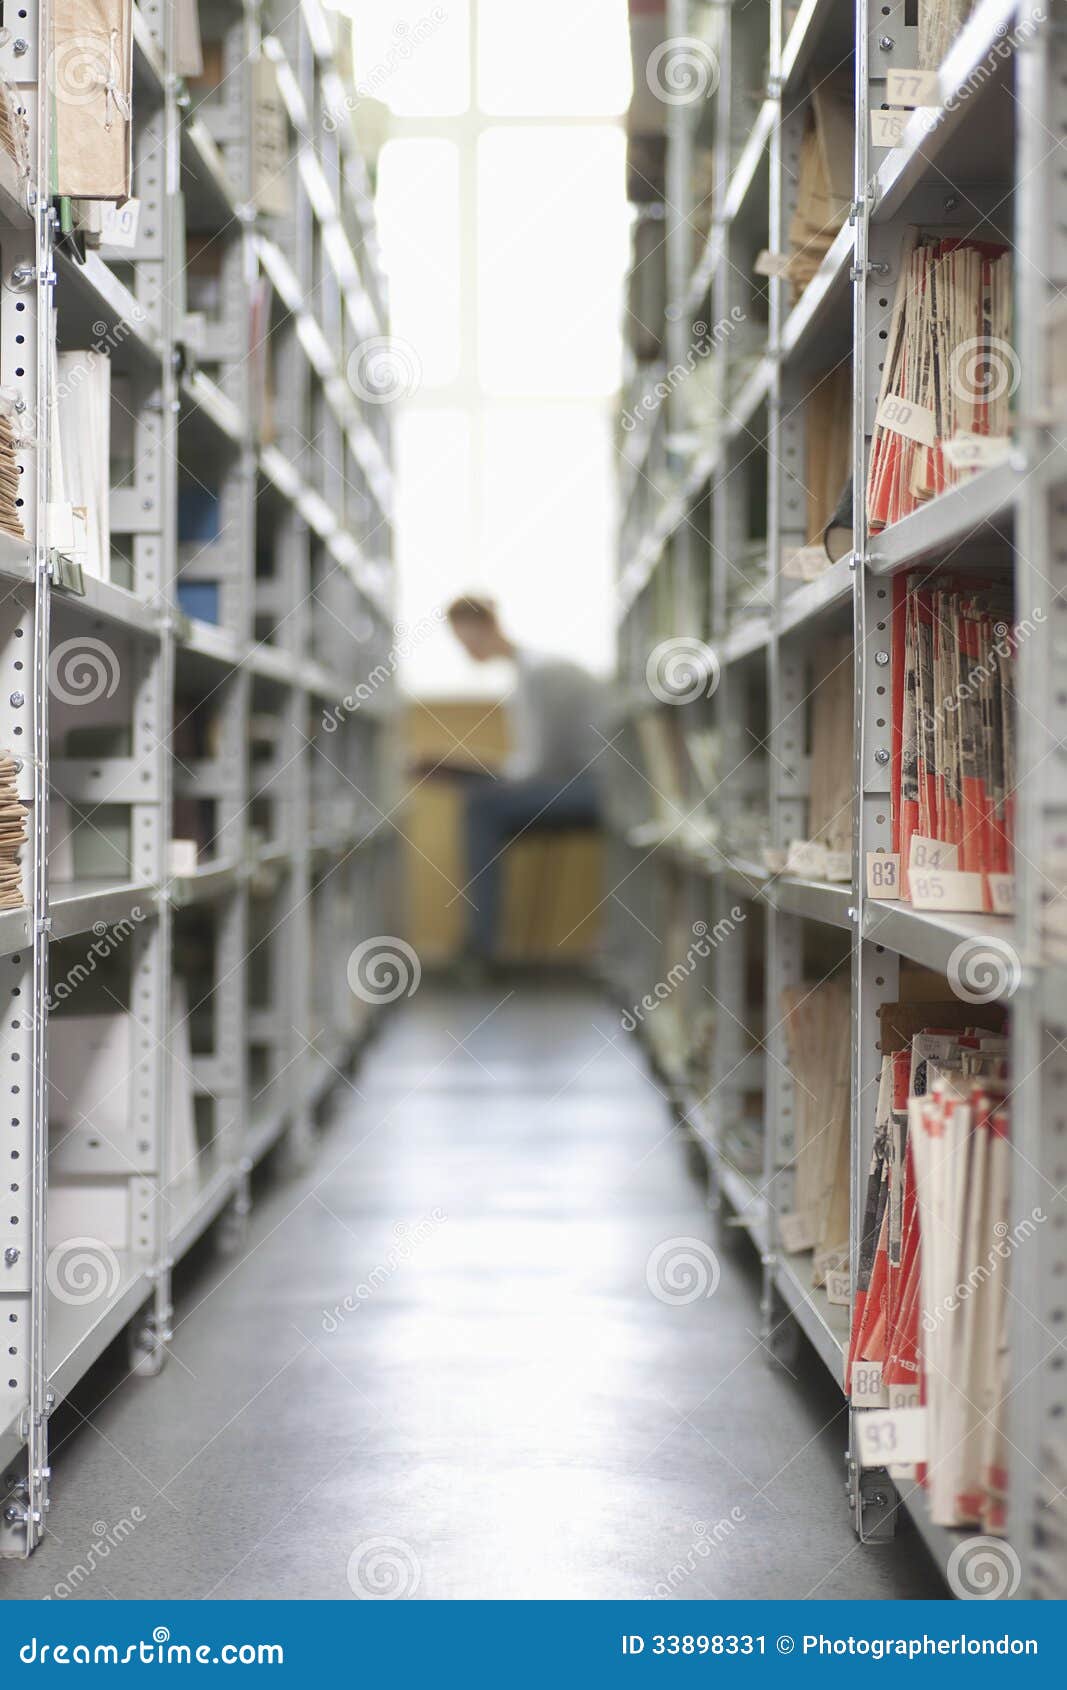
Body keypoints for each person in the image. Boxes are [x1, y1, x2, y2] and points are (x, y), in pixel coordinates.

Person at [441, 594, 604, 967]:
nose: (465, 650)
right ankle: (481, 947)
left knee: (480, 806)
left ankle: (481, 950)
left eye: (465, 639)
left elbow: (540, 768)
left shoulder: (539, 674)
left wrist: (473, 772)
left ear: (486, 626)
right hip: (574, 783)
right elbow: (537, 765)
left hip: (595, 791)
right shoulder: (528, 672)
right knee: (481, 797)